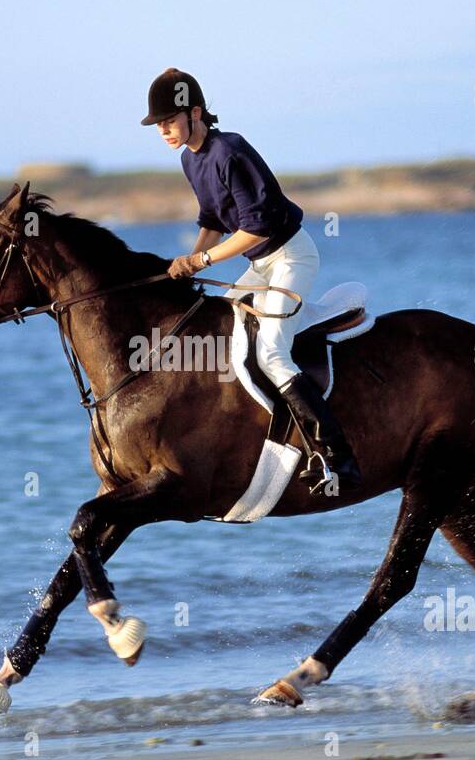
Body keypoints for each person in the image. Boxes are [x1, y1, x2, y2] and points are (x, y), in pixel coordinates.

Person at [142, 67, 361, 494]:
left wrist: (202, 257)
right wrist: (191, 261)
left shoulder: (230, 151)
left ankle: (338, 458)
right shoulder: (190, 158)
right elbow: (211, 219)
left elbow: (257, 229)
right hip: (261, 266)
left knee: (273, 356)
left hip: (290, 258)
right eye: (159, 125)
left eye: (169, 121)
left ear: (196, 112)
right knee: (224, 336)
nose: (164, 130)